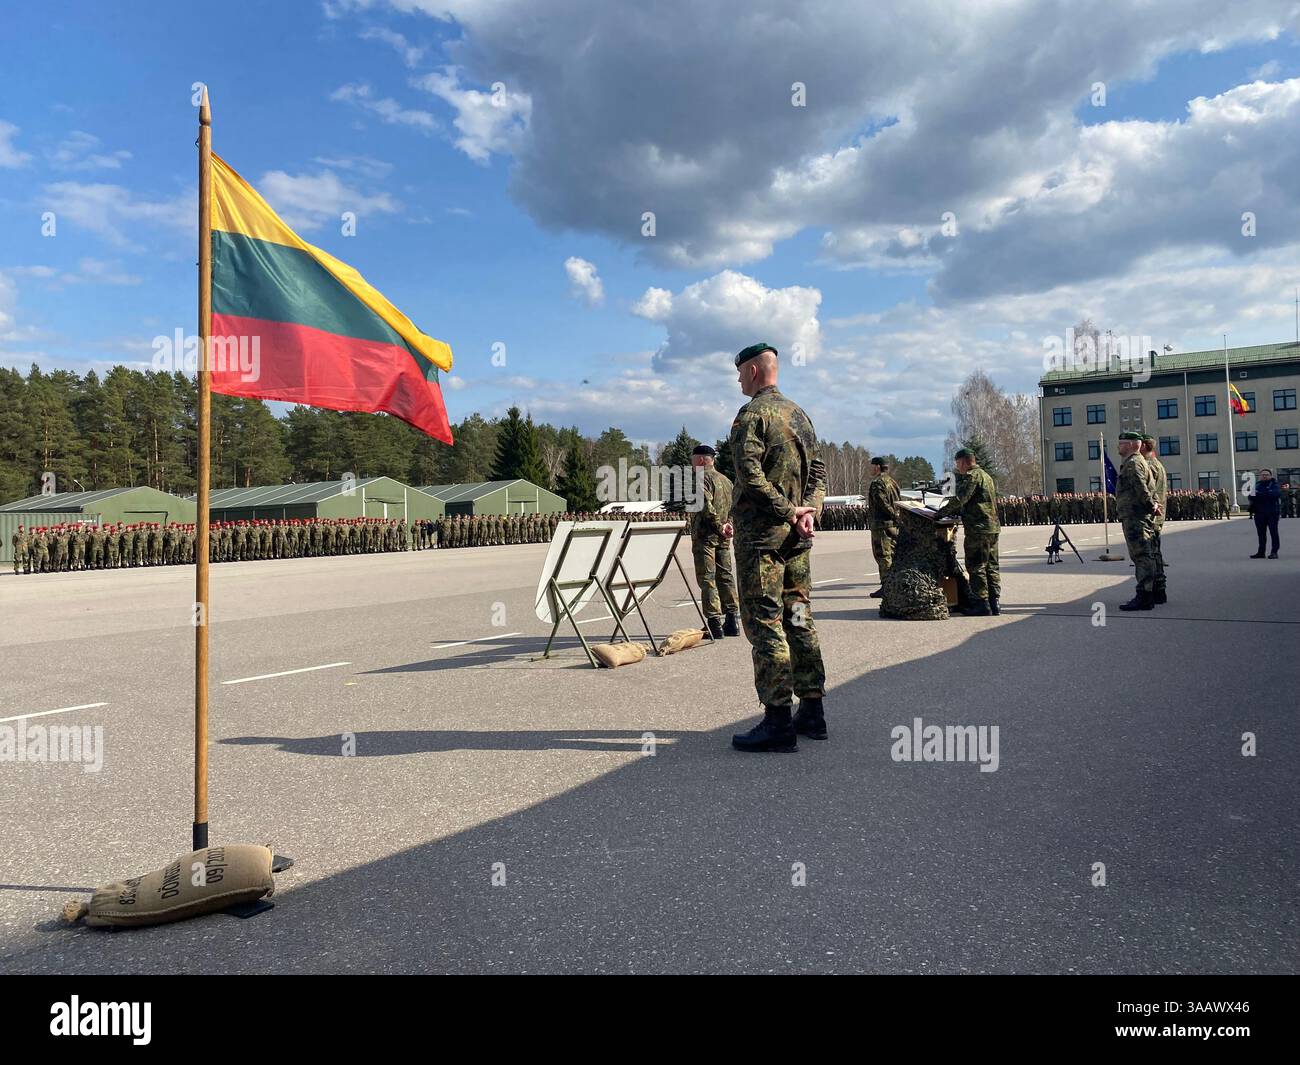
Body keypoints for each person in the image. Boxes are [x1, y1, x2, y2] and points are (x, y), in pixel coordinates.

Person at [725, 342, 827, 753]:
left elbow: (748, 477)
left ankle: (778, 721)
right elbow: (819, 471)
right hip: (796, 542)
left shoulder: (751, 417)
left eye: (738, 372)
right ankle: (814, 711)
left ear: (752, 372)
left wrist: (788, 512)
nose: (737, 380)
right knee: (799, 618)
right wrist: (808, 513)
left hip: (762, 544)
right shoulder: (799, 415)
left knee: (766, 623)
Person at [936, 447, 1001, 615]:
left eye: (958, 463)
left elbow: (961, 499)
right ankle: (995, 603)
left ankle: (981, 604)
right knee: (991, 565)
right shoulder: (986, 476)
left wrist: (940, 513)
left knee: (976, 565)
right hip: (991, 527)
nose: (958, 467)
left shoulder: (972, 476)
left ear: (964, 461)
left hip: (978, 529)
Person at [688, 444, 740, 639]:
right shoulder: (726, 481)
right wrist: (729, 526)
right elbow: (735, 506)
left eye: (693, 459)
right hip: (723, 536)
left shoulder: (700, 479)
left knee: (707, 578)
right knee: (726, 576)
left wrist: (719, 526)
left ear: (701, 460)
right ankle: (732, 620)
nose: (692, 464)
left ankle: (714, 623)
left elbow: (705, 506)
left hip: (706, 536)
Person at [1114, 430, 1161, 610]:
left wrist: (1151, 506)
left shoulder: (1133, 463)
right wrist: (1153, 505)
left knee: (1141, 556)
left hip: (1136, 516)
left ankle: (1144, 596)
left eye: (1122, 443)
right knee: (1144, 555)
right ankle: (1147, 594)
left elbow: (1142, 488)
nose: (1119, 446)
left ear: (1133, 445)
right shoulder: (1138, 462)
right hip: (1137, 515)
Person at [1140, 434, 1169, 604]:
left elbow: (1147, 491)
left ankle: (1152, 591)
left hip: (1151, 516)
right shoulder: (1158, 464)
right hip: (1157, 516)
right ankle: (1160, 590)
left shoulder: (1149, 465)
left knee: (1151, 554)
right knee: (1156, 552)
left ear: (1143, 446)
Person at [866, 457, 900, 598]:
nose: (871, 469)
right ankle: (894, 585)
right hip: (892, 525)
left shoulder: (877, 483)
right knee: (892, 555)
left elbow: (882, 503)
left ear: (878, 467)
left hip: (881, 525)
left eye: (872, 466)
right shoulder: (893, 482)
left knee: (883, 556)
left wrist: (893, 515)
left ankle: (887, 587)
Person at [1247, 468, 1281, 559]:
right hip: (1259, 513)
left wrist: (1260, 494)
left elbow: (1275, 494)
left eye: (1266, 474)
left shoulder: (1274, 484)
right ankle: (1261, 552)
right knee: (1261, 534)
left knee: (1273, 533)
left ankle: (1274, 552)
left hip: (1272, 513)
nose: (1264, 476)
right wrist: (1264, 494)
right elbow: (1251, 496)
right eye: (1262, 475)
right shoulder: (1257, 485)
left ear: (1270, 476)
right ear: (1260, 476)